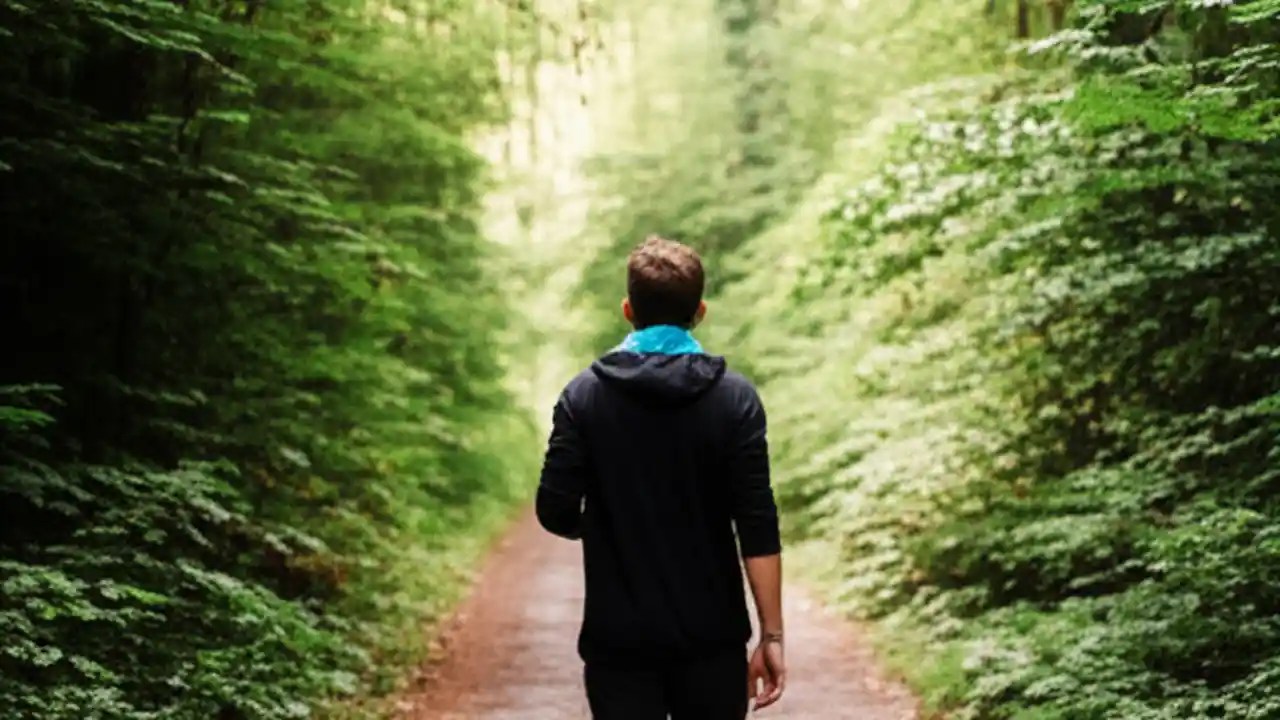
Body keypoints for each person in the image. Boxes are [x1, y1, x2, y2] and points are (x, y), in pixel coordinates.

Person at [536, 236, 786, 719]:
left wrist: (610, 523)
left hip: (619, 642)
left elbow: (554, 509)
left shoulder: (583, 396)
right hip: (713, 642)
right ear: (701, 311)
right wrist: (771, 636)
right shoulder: (735, 400)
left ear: (628, 309)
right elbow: (757, 525)